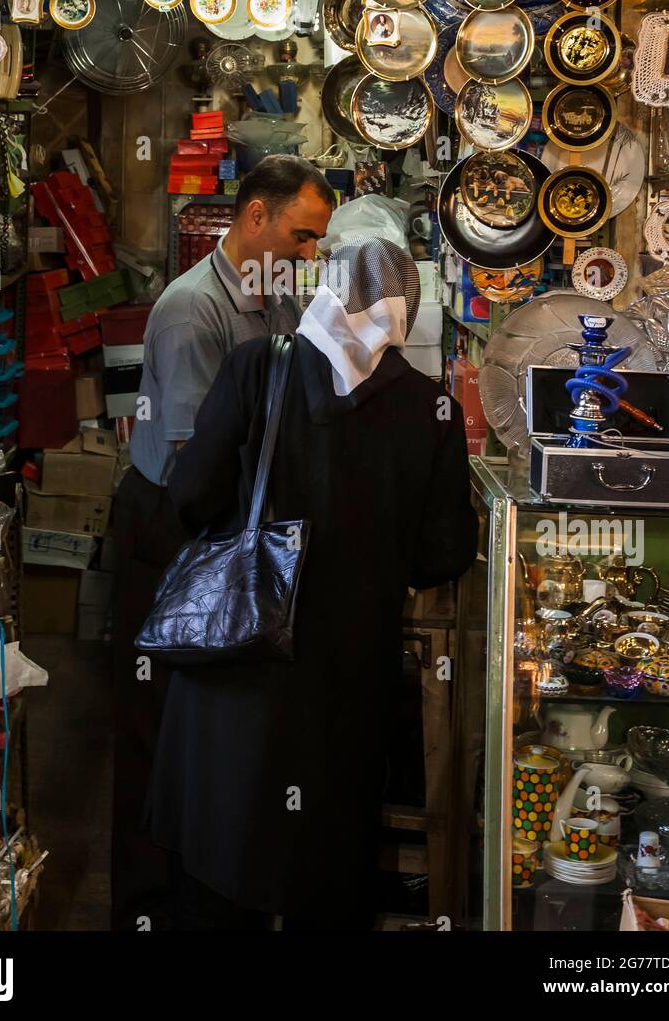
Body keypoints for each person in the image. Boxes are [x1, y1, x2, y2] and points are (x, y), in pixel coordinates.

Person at [151, 238, 479, 930]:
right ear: (404, 315)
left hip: (239, 652)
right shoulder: (433, 408)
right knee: (327, 857)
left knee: (220, 847)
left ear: (325, 293)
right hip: (348, 669)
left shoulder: (254, 368)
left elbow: (191, 495)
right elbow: (443, 552)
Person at [111, 154, 335, 932]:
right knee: (152, 721)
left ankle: (205, 888)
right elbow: (188, 458)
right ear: (255, 218)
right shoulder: (191, 309)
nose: (310, 256)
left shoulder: (269, 301)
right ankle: (146, 907)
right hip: (168, 524)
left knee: (201, 725)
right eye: (303, 238)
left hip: (219, 519)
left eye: (318, 244)